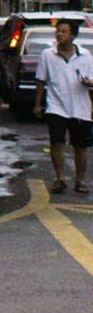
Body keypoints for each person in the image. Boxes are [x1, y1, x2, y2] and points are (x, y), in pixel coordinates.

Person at [35, 19, 93, 195]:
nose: (59, 34)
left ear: (73, 35)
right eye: (58, 31)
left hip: (80, 108)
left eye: (64, 31)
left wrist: (88, 84)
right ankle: (60, 178)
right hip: (56, 106)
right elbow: (40, 80)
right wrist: (38, 104)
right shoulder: (47, 54)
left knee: (80, 146)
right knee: (56, 142)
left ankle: (80, 180)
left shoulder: (86, 56)